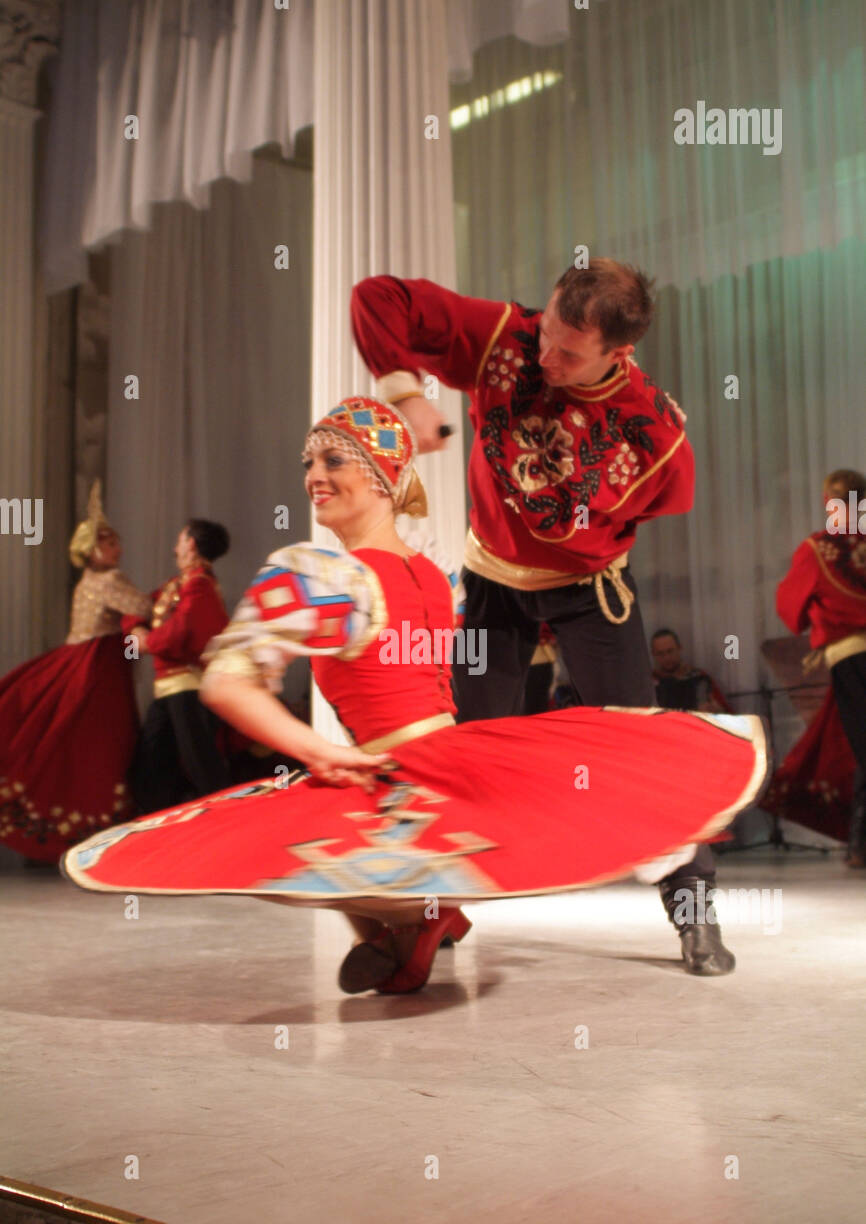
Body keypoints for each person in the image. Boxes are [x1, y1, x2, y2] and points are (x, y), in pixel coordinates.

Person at [63, 398, 767, 996]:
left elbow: (223, 680)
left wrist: (312, 750)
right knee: (336, 847)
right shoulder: (432, 577)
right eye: (310, 462)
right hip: (453, 753)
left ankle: (410, 922)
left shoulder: (324, 574)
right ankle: (422, 919)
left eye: (334, 461)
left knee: (281, 848)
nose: (314, 476)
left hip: (400, 766)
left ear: (380, 478)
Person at [350, 260, 736, 973]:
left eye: (568, 352)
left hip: (590, 591)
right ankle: (430, 916)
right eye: (547, 334)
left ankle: (694, 912)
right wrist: (403, 392)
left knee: (637, 753)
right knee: (456, 749)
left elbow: (663, 500)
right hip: (493, 583)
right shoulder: (506, 338)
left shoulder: (654, 436)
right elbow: (379, 300)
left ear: (619, 353)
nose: (546, 358)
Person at [0, 482, 151, 861]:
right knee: (99, 746)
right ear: (92, 550)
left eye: (115, 541)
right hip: (96, 669)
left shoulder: (87, 581)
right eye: (108, 542)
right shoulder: (109, 580)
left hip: (78, 661)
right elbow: (142, 606)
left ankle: (67, 828)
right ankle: (99, 836)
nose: (117, 548)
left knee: (64, 743)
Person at [776, 469, 866, 866]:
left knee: (860, 746)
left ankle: (861, 845)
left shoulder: (818, 549)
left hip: (849, 656)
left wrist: (815, 621)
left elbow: (790, 608)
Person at [128, 519, 232, 813]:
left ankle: (228, 825)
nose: (175, 548)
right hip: (167, 691)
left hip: (186, 689)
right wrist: (135, 626)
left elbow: (181, 632)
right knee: (152, 766)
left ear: (191, 544)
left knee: (201, 767)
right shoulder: (178, 585)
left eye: (179, 540)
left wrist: (147, 642)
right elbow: (138, 607)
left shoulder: (200, 586)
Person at [651, 629, 731, 712]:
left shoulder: (700, 678)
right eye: (660, 653)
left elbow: (729, 715)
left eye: (670, 651)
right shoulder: (650, 684)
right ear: (653, 654)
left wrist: (716, 710)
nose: (667, 658)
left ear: (679, 648)